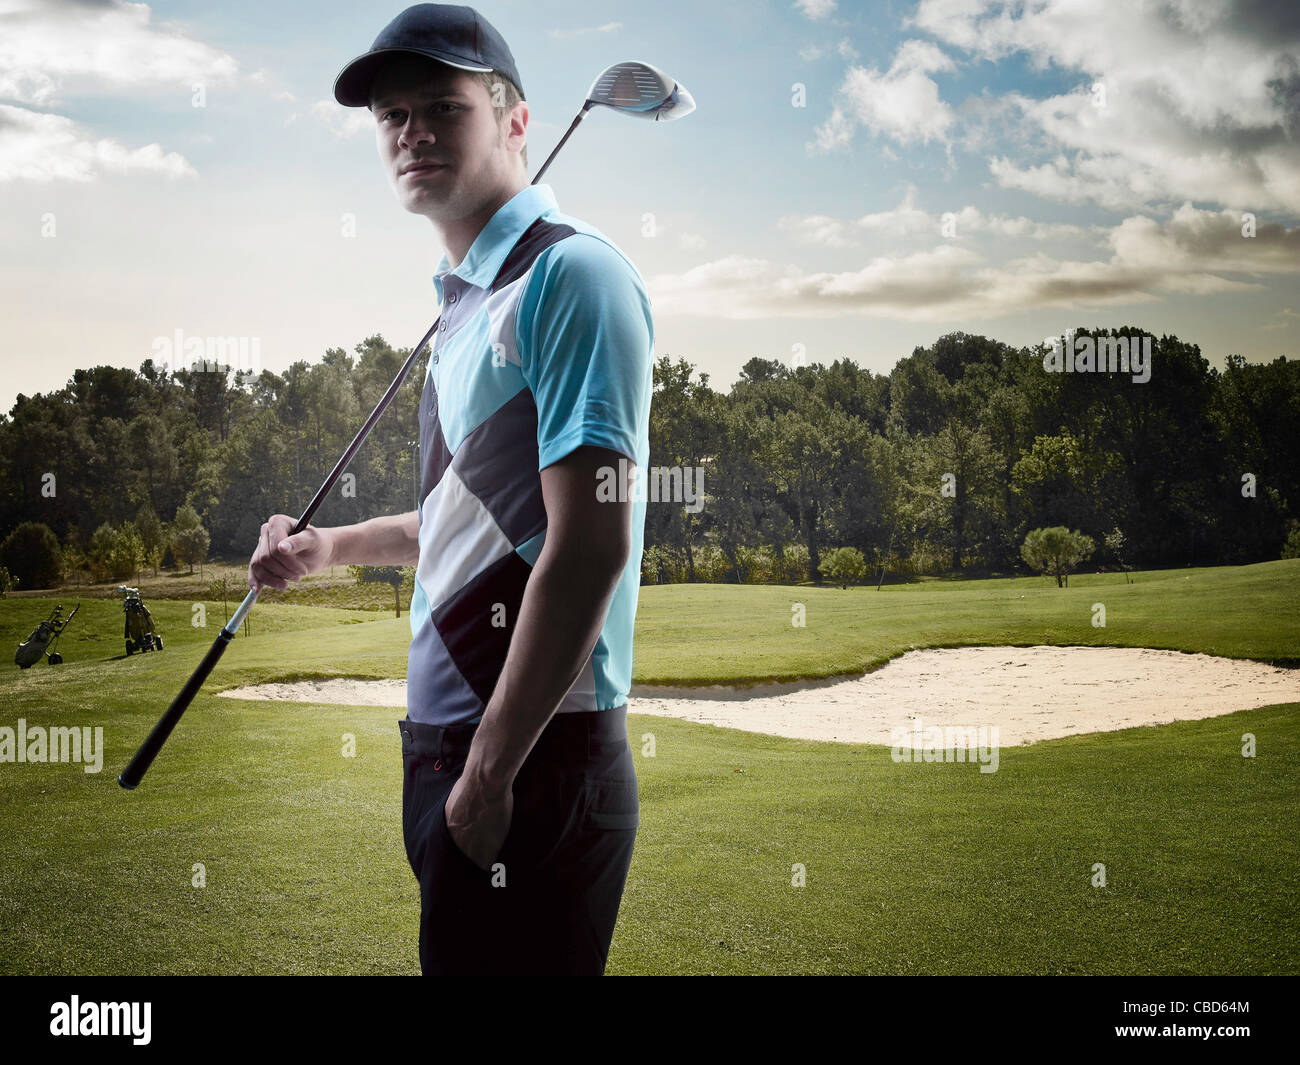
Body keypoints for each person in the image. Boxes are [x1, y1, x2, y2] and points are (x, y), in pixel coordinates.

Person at [247, 3, 654, 976]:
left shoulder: (573, 276)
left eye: (443, 107)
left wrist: (485, 777)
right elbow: (464, 526)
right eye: (392, 115)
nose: (412, 132)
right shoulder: (465, 306)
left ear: (516, 122)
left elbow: (589, 545)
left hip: (527, 756)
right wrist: (329, 547)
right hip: (446, 748)